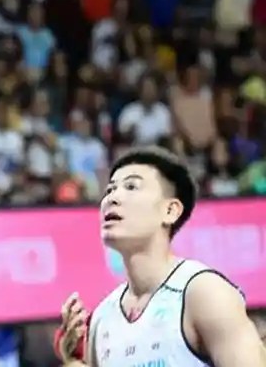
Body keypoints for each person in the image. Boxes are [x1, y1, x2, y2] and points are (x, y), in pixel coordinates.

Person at [56, 147, 265, 366]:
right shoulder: (101, 319)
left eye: (131, 186)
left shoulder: (203, 292)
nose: (112, 198)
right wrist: (72, 361)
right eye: (110, 190)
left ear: (170, 211)